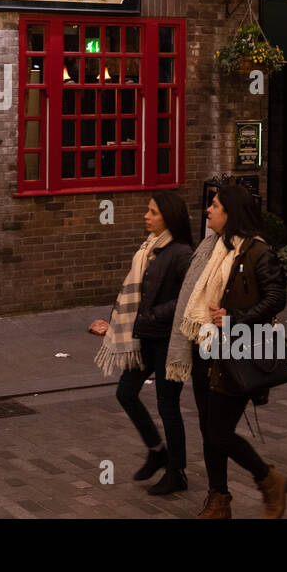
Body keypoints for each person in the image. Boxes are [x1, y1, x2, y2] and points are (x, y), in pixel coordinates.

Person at [165, 185, 287, 519]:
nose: (208, 210)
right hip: (205, 348)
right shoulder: (211, 248)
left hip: (236, 351)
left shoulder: (257, 252)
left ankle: (269, 478)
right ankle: (218, 499)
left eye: (215, 205)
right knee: (209, 429)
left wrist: (236, 319)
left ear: (231, 212)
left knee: (219, 431)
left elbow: (276, 297)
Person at [96, 191, 195, 496]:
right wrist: (114, 323)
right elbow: (134, 294)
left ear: (168, 216)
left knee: (168, 406)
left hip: (168, 340)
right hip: (145, 338)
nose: (146, 216)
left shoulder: (181, 253)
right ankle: (156, 450)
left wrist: (153, 315)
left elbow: (186, 300)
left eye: (152, 212)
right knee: (126, 393)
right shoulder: (148, 250)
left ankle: (177, 472)